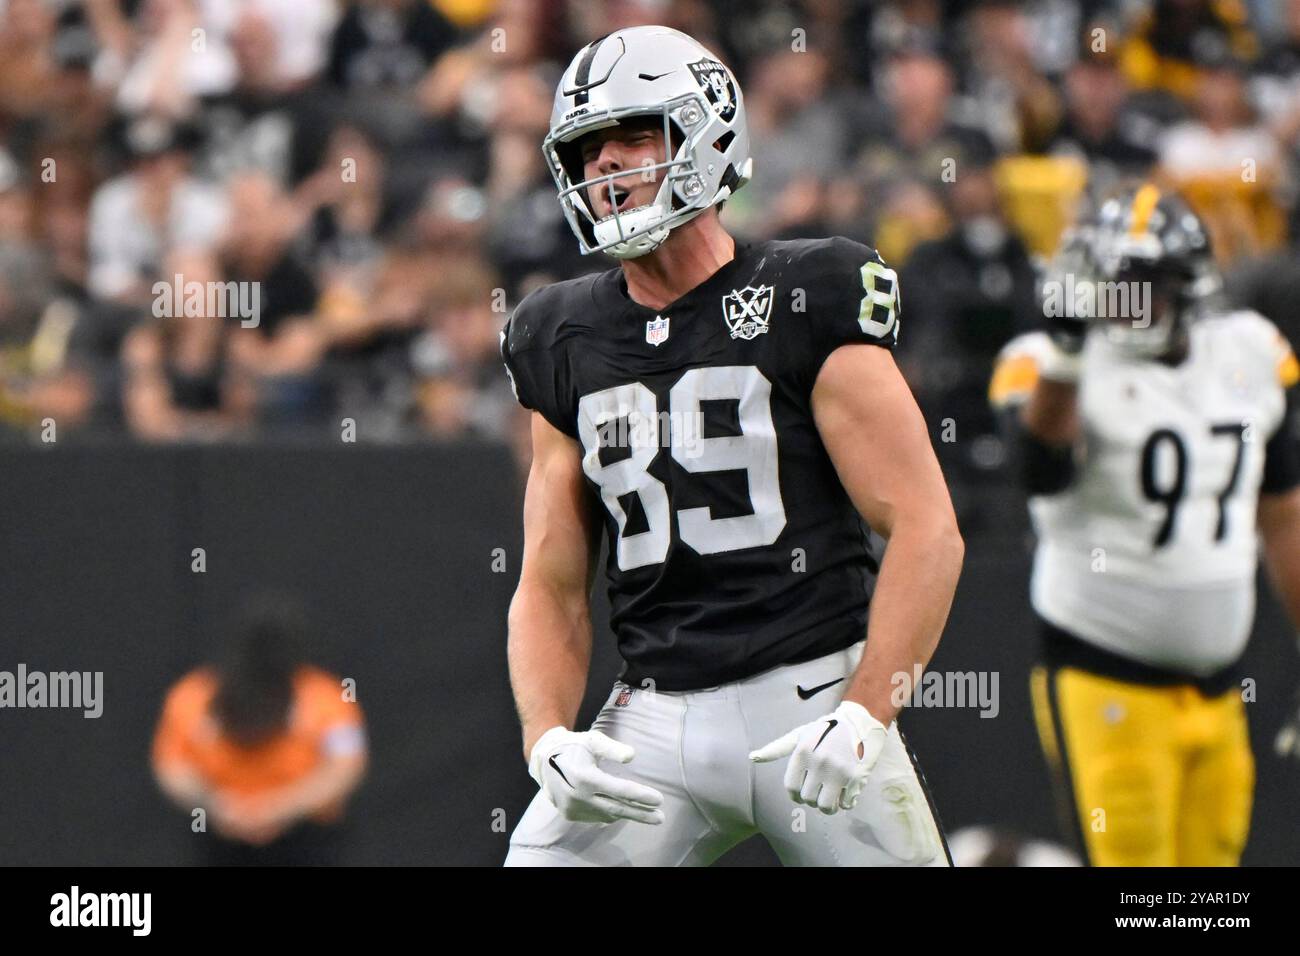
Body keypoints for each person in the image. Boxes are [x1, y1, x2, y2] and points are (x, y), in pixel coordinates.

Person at [499, 25, 963, 867]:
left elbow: (927, 527)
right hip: (649, 718)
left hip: (812, 696)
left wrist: (865, 711)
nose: (607, 166)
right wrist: (545, 738)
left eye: (633, 136)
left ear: (706, 133)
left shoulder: (808, 289)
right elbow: (550, 580)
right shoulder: (558, 333)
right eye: (588, 149)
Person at [989, 184, 1300, 866]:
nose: (1127, 300)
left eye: (1145, 282)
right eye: (1113, 282)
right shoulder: (1049, 365)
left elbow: (1282, 515)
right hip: (1107, 685)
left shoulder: (1250, 352)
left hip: (1220, 692)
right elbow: (1040, 469)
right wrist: (1069, 353)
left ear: (1188, 283)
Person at [151, 596, 367, 865]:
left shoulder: (327, 698)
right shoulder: (192, 697)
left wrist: (282, 807)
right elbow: (173, 767)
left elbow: (345, 766)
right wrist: (218, 805)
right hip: (219, 842)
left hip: (307, 840)